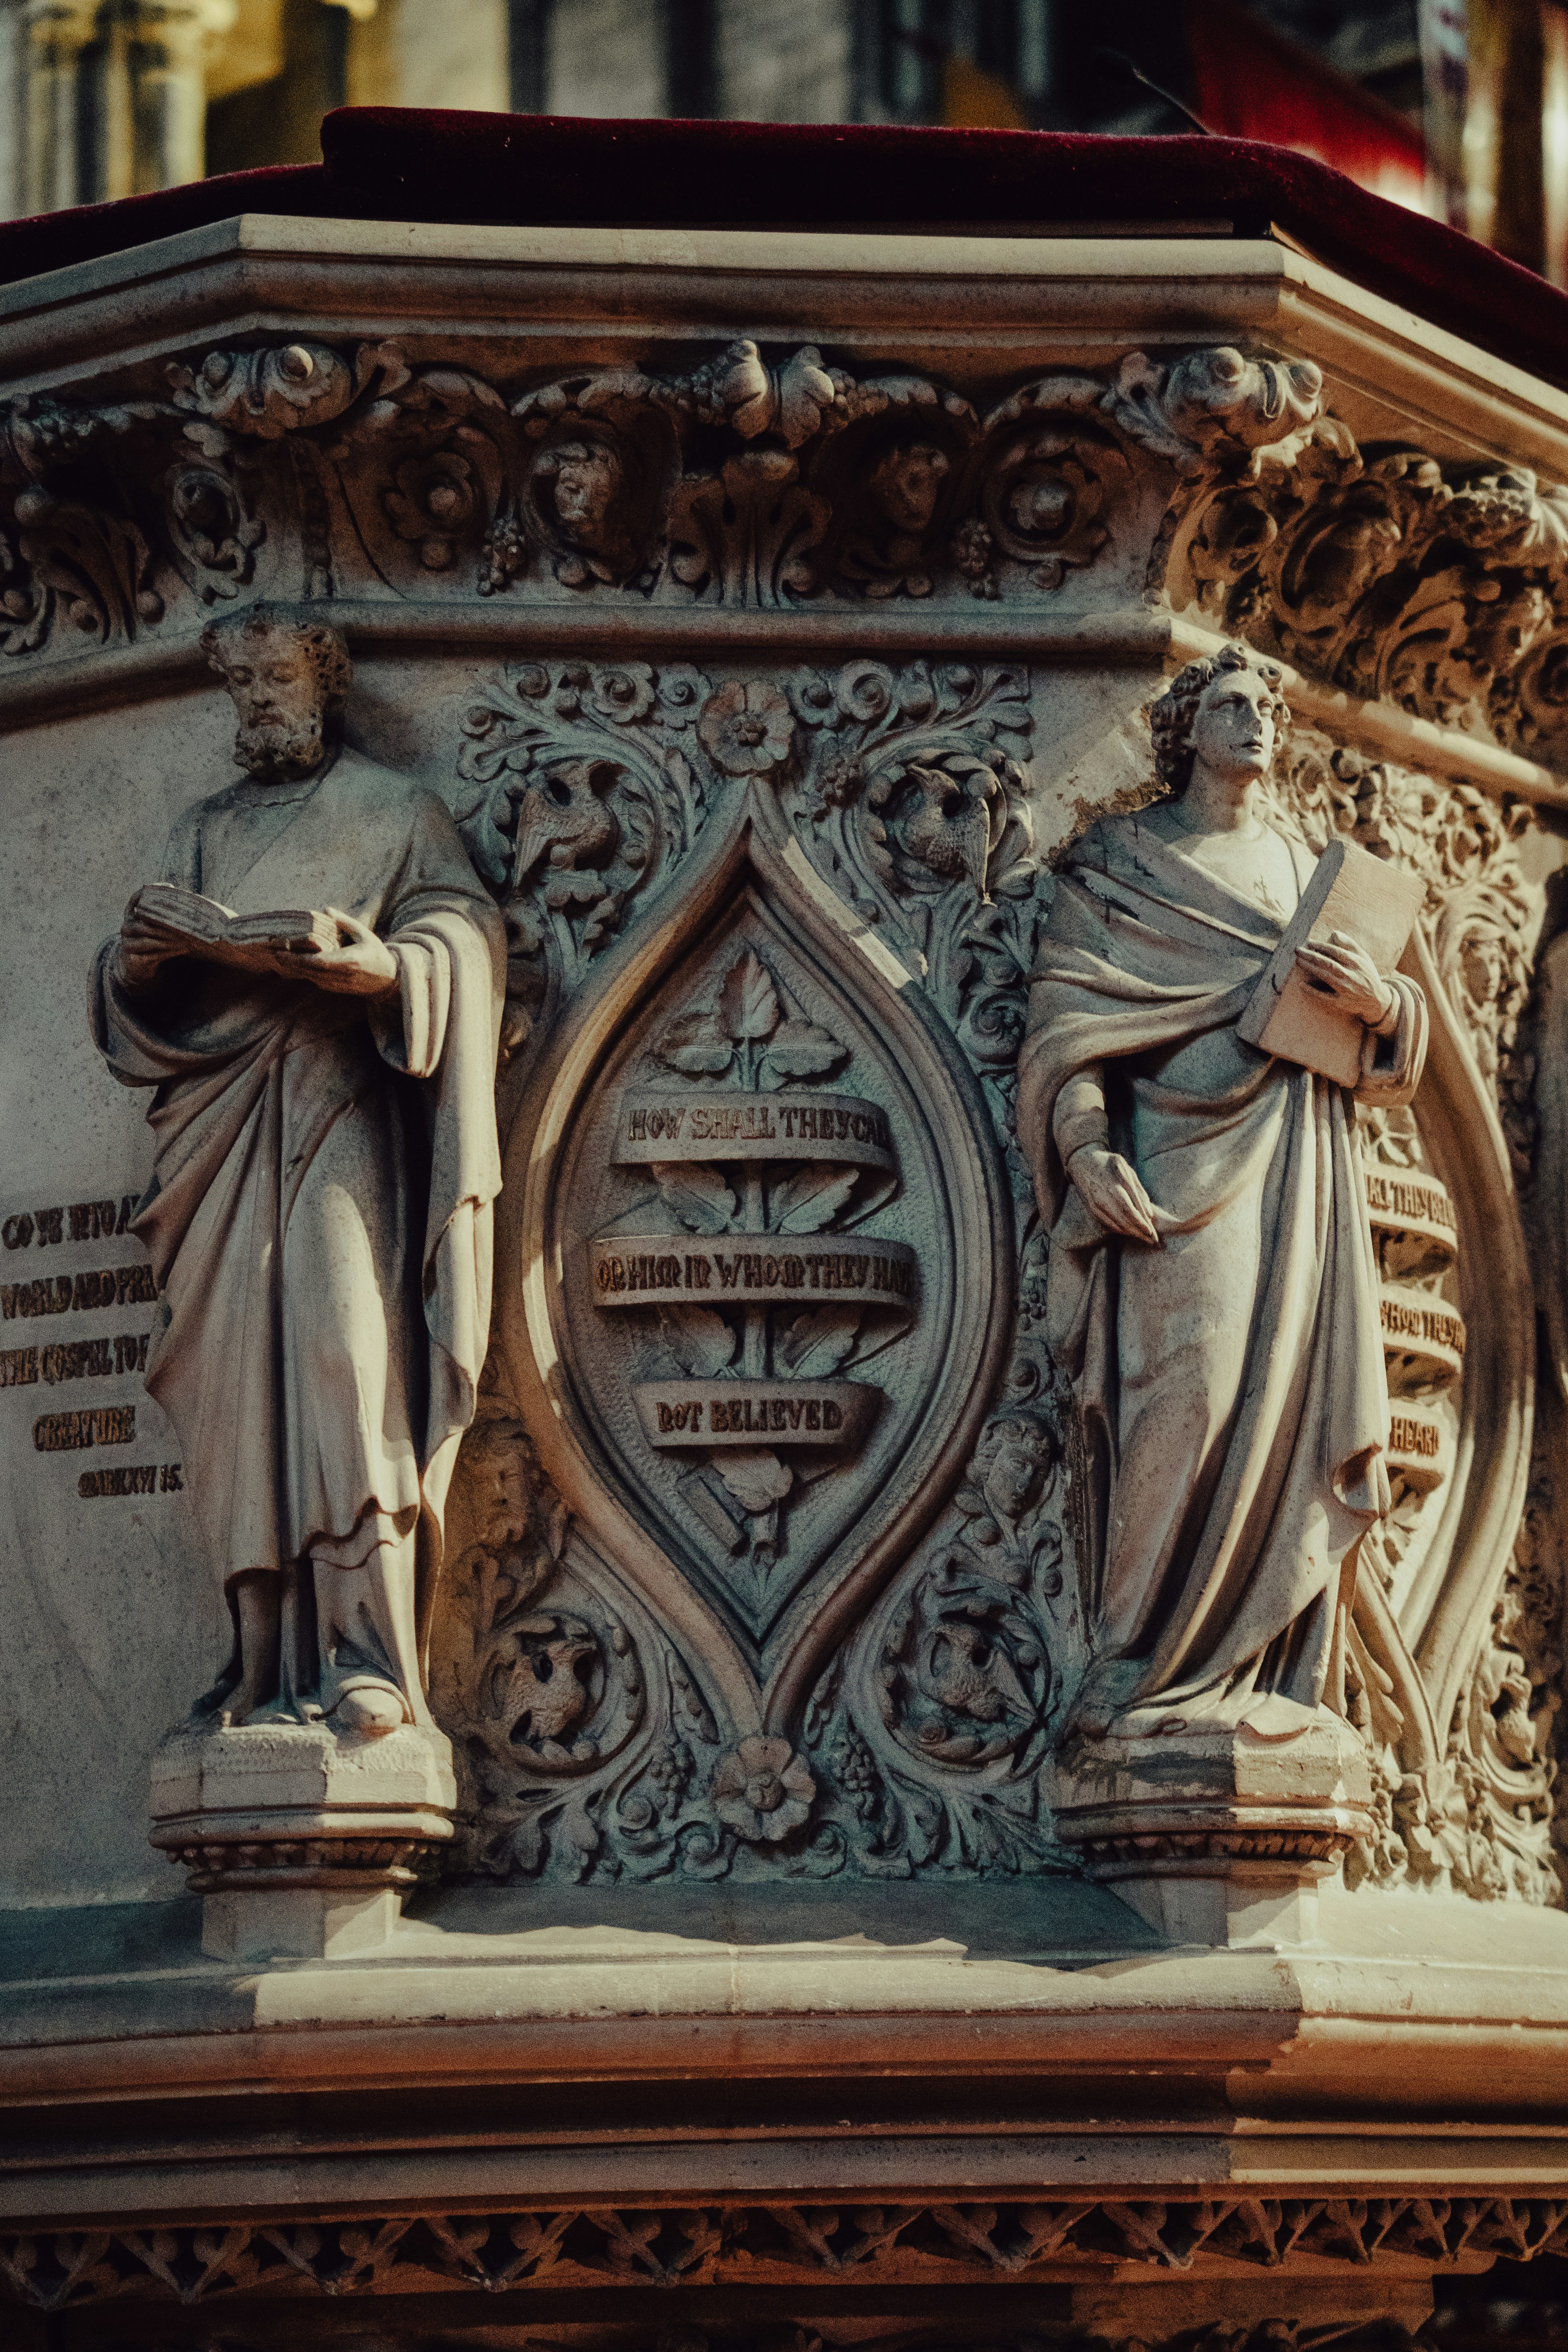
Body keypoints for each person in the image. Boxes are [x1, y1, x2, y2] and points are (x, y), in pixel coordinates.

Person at [90, 610, 505, 1738]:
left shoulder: (394, 812)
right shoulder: (203, 829)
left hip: (336, 1110)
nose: (261, 700)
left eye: (277, 677)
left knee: (347, 1361)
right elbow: (131, 987)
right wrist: (135, 965)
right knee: (231, 1390)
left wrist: (386, 968)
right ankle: (259, 1658)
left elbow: (465, 934)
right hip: (215, 1136)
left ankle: (368, 1657)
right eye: (244, 685)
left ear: (325, 682)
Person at [1017, 643, 1427, 1741]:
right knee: (1183, 1397)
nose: (1258, 724)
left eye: (1270, 712)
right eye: (1234, 705)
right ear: (1185, 728)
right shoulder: (1123, 861)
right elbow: (1068, 1027)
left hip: (1295, 1168)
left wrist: (1380, 1003)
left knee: (1290, 1407)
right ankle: (1137, 1655)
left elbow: (1393, 1039)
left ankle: (1267, 1663)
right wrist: (1086, 1149)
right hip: (1167, 1171)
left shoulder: (1306, 868)